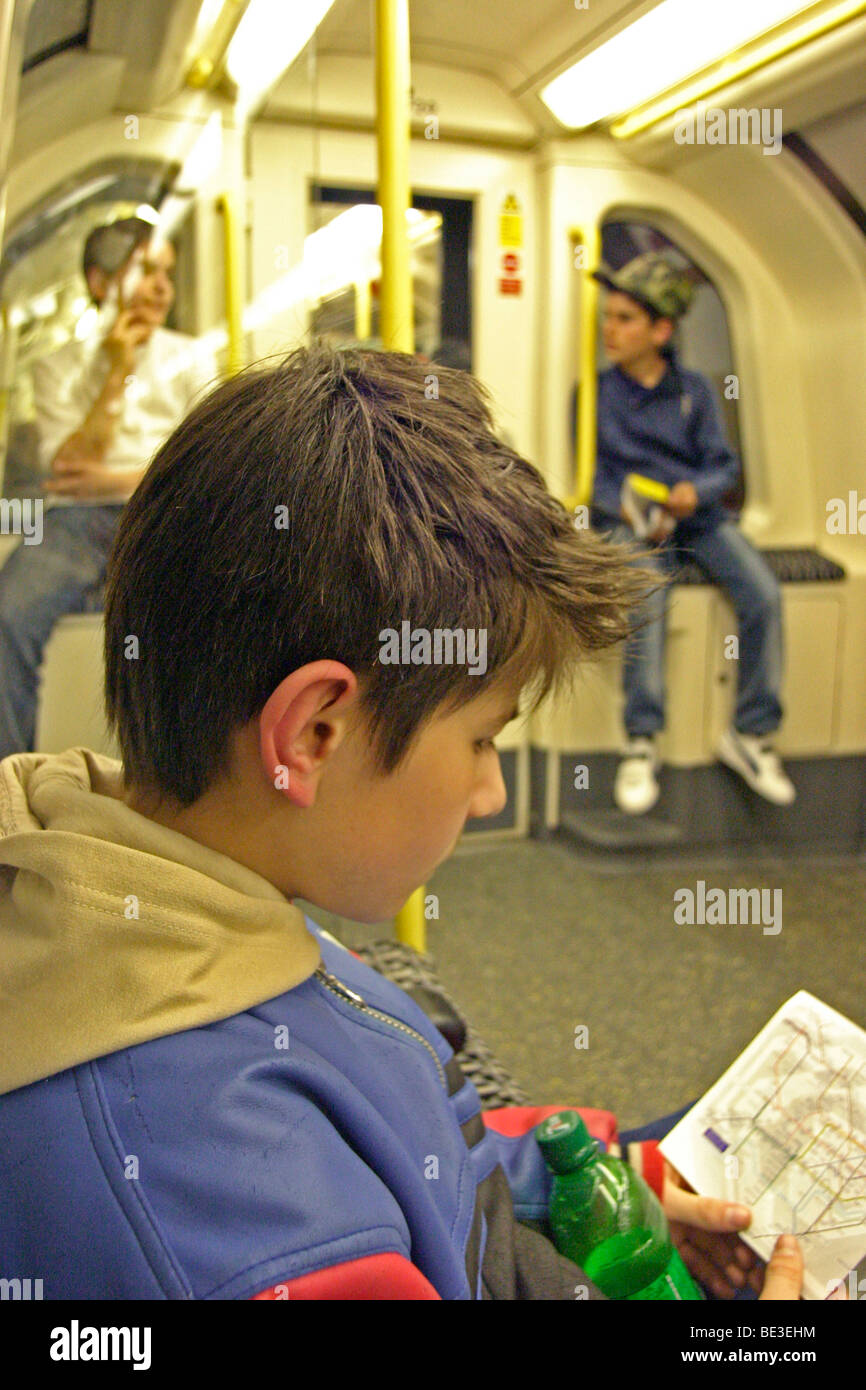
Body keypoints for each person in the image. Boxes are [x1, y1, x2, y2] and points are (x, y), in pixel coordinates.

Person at [0, 347, 802, 1300]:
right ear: (313, 734)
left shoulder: (130, 865)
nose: (492, 791)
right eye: (481, 740)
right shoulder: (243, 1223)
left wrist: (597, 1186)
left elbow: (420, 1140)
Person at [0, 216, 217, 760]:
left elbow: (205, 466)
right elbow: (71, 467)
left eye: (167, 272)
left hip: (169, 511)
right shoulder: (58, 366)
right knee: (7, 616)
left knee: (218, 619)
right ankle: (8, 789)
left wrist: (121, 478)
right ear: (100, 283)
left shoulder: (191, 357)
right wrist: (116, 371)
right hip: (79, 518)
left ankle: (185, 777)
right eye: (145, 271)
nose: (163, 287)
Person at [589, 253, 796, 816]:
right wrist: (625, 508)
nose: (610, 329)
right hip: (631, 522)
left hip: (696, 517)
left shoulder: (695, 392)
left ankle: (751, 734)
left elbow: (723, 468)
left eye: (626, 318)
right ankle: (642, 740)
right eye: (609, 316)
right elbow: (593, 478)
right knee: (648, 595)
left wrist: (694, 493)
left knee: (763, 594)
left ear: (661, 330)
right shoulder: (598, 393)